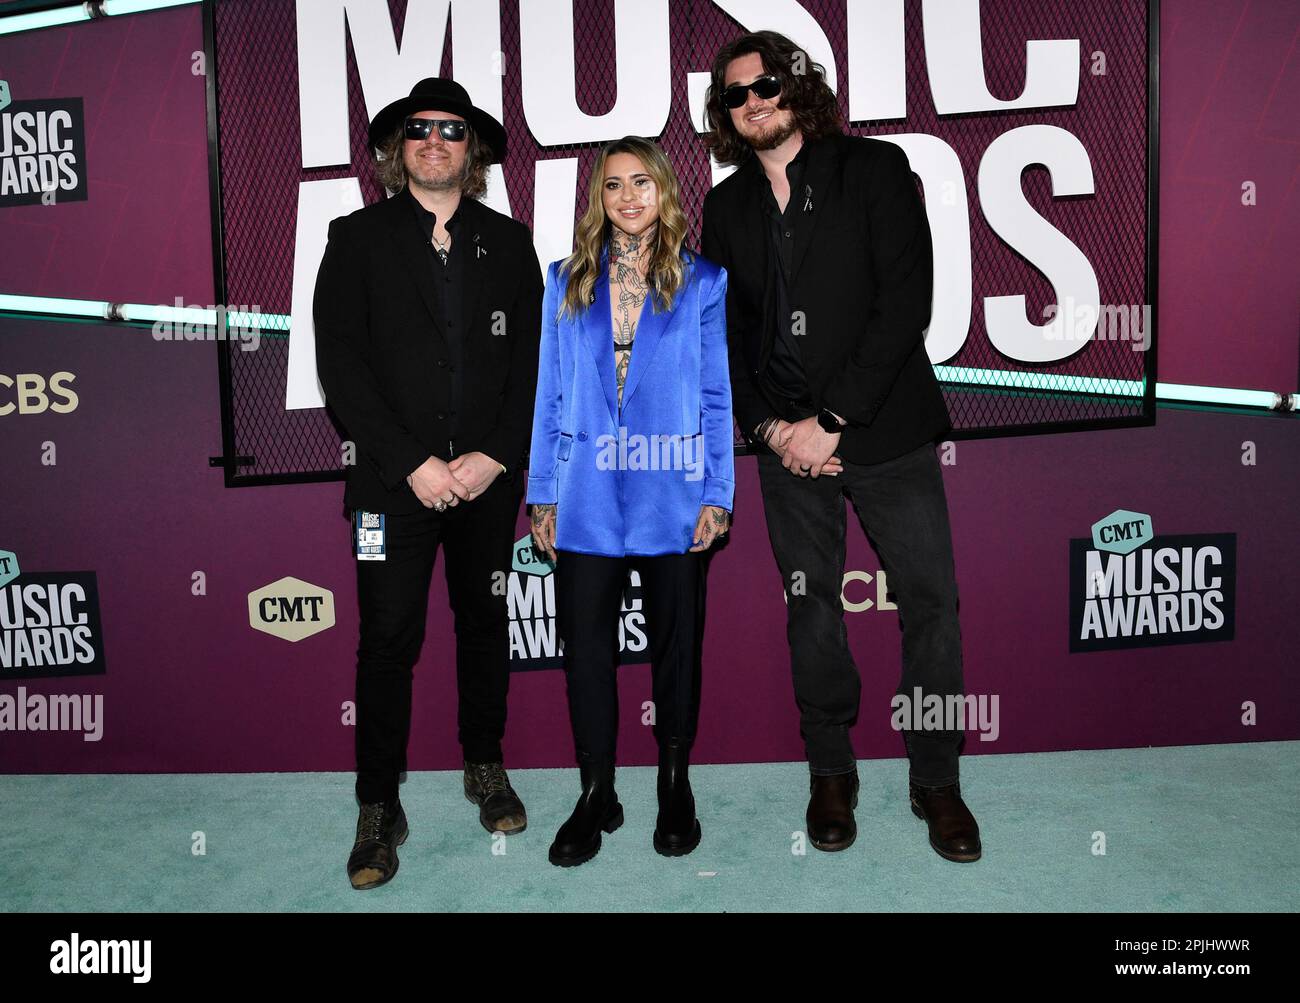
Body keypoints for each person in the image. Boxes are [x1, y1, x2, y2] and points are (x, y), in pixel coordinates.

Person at [700, 32, 980, 862]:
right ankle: (831, 771)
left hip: (883, 429)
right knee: (812, 606)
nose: (753, 101)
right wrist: (771, 430)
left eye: (767, 84)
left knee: (931, 604)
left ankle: (937, 778)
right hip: (787, 447)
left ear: (799, 88)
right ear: (725, 114)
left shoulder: (875, 170)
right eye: (736, 95)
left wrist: (833, 421)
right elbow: (727, 336)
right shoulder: (727, 207)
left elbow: (905, 305)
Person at [313, 77, 543, 889]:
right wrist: (413, 462)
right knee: (386, 641)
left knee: (484, 624)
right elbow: (342, 368)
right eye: (419, 129)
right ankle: (378, 805)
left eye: (451, 129)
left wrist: (494, 456)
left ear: (471, 149)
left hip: (485, 483)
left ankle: (485, 765)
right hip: (390, 486)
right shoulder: (355, 237)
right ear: (397, 147)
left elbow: (533, 366)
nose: (435, 141)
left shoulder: (509, 243)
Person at [527, 136, 734, 867]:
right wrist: (542, 492)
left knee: (677, 647)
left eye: (641, 181)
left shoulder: (703, 281)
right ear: (599, 198)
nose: (627, 196)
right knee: (586, 651)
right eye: (613, 185)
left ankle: (674, 782)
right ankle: (597, 791)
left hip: (671, 488)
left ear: (664, 190)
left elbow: (715, 393)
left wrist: (717, 490)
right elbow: (549, 393)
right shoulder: (565, 280)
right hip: (584, 492)